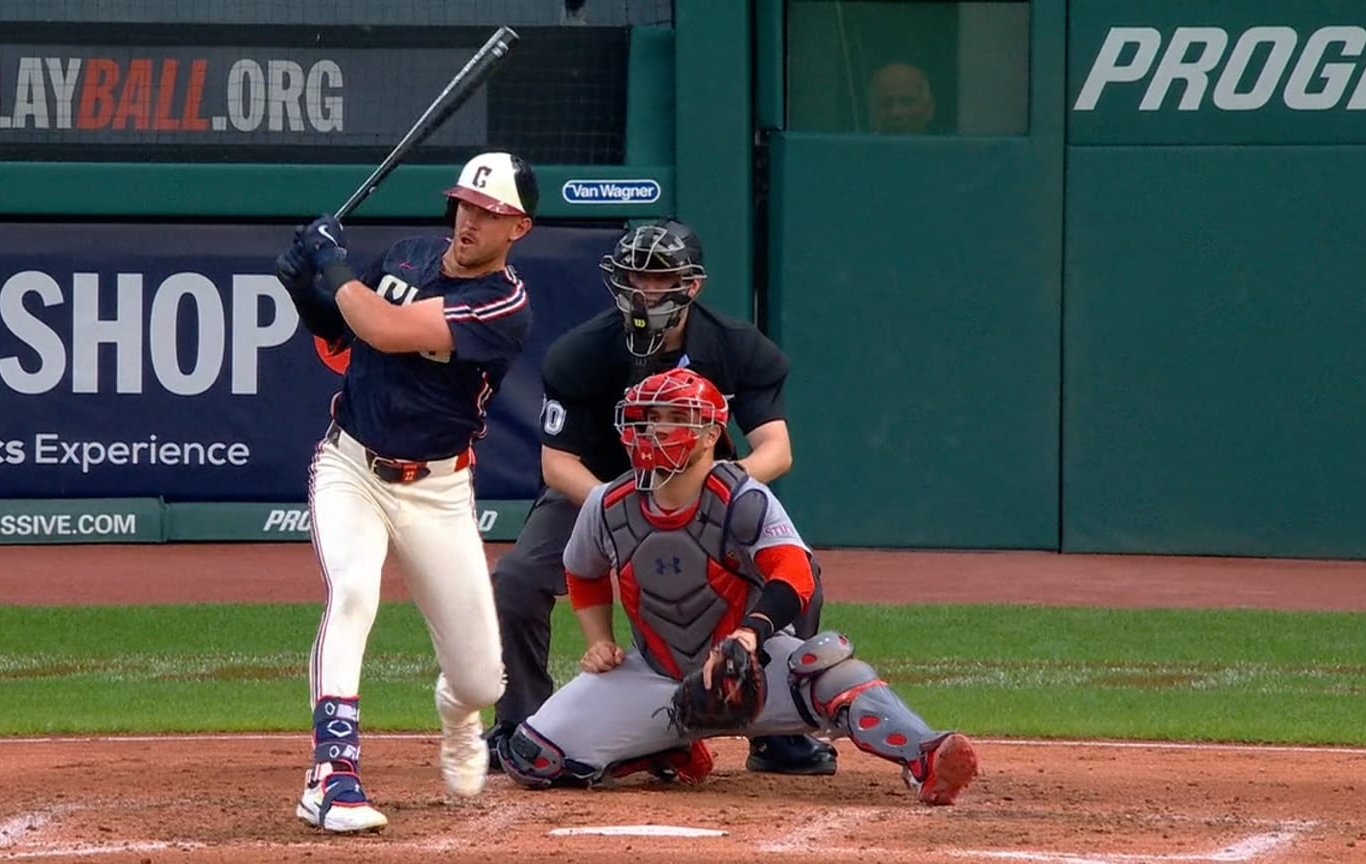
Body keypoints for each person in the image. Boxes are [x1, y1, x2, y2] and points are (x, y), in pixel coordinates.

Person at [496, 368, 979, 804]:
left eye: (670, 419)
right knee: (533, 756)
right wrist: (599, 640)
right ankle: (669, 749)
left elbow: (793, 570)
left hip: (752, 669)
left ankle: (924, 754)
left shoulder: (741, 499)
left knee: (833, 672)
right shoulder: (607, 503)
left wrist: (749, 634)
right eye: (645, 419)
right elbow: (582, 571)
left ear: (710, 434)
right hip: (657, 673)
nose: (652, 431)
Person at [487, 218, 838, 777]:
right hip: (596, 492)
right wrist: (627, 506)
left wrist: (714, 491)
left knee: (797, 573)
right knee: (517, 580)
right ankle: (519, 723)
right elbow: (557, 465)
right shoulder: (581, 353)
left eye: (659, 278)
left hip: (707, 492)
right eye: (633, 276)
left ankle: (781, 733)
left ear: (692, 285)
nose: (644, 290)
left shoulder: (736, 347)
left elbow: (777, 450)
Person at [272, 151, 540, 833]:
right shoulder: (407, 255)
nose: (470, 220)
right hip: (351, 466)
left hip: (439, 491)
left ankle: (457, 714)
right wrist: (306, 290)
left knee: (483, 680)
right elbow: (342, 337)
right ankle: (332, 775)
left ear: (519, 229)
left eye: (490, 212)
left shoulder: (504, 306)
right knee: (354, 591)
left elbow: (386, 328)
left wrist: (332, 267)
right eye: (465, 204)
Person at [867, 61, 935, 134]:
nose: (896, 113)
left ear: (928, 108)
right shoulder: (858, 145)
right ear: (872, 111)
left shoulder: (945, 144)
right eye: (886, 104)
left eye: (906, 102)